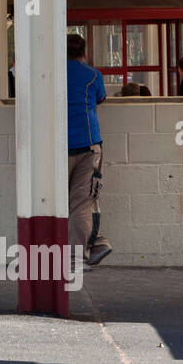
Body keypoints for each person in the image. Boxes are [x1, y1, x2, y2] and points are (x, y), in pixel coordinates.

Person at [68, 34, 112, 268]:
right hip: (89, 144)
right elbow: (100, 98)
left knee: (65, 202)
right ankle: (81, 255)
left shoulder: (51, 73)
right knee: (83, 202)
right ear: (84, 52)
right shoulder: (93, 75)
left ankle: (98, 243)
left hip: (57, 147)